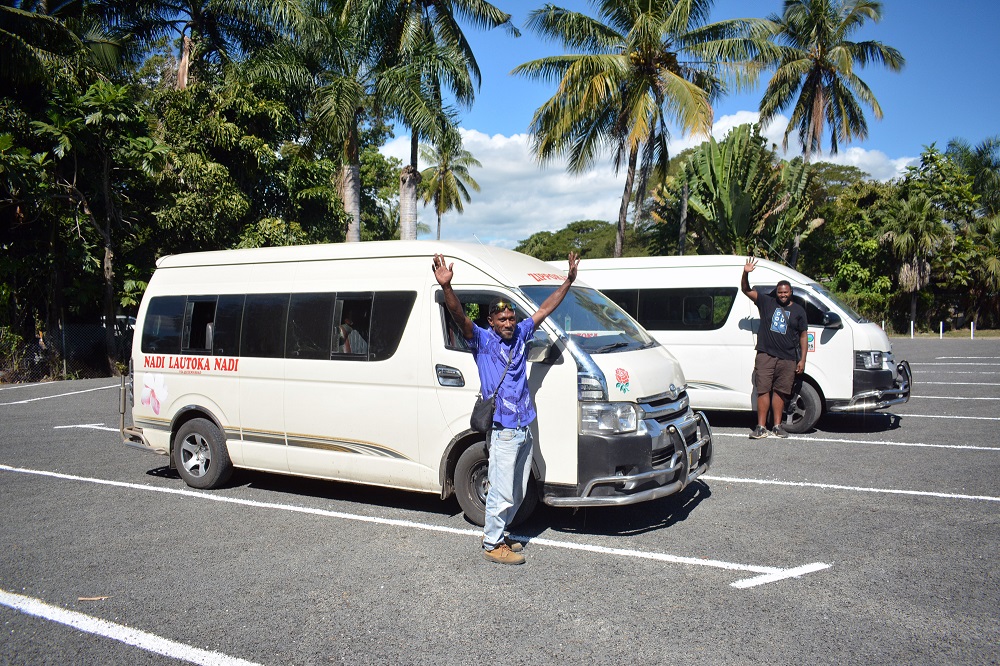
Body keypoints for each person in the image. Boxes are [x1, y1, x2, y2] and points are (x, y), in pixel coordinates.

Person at [433, 251, 580, 565]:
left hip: (523, 429)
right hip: (502, 431)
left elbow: (545, 309)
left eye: (511, 318)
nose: (509, 323)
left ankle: (499, 534)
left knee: (517, 490)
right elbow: (459, 317)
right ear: (491, 322)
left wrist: (568, 281)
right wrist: (447, 287)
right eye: (502, 320)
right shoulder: (483, 342)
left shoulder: (522, 334)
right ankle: (491, 544)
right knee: (501, 490)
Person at [741, 256, 808, 439]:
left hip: (788, 357)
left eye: (785, 292)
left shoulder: (799, 311)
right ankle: (761, 427)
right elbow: (746, 289)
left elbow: (803, 336)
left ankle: (777, 426)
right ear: (776, 292)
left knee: (781, 392)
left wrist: (802, 359)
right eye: (780, 292)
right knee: (763, 390)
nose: (783, 295)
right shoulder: (766, 302)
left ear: (791, 292)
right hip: (766, 355)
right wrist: (745, 273)